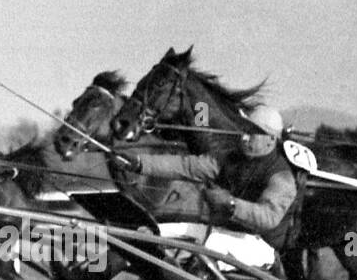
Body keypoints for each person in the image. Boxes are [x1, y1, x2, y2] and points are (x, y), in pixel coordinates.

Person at [112, 106, 303, 263]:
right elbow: (187, 166)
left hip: (257, 245)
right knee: (151, 233)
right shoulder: (230, 158)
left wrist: (231, 205)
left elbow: (268, 217)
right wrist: (139, 163)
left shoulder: (281, 176)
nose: (244, 137)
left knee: (207, 246)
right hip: (220, 232)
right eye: (244, 130)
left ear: (271, 139)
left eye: (252, 133)